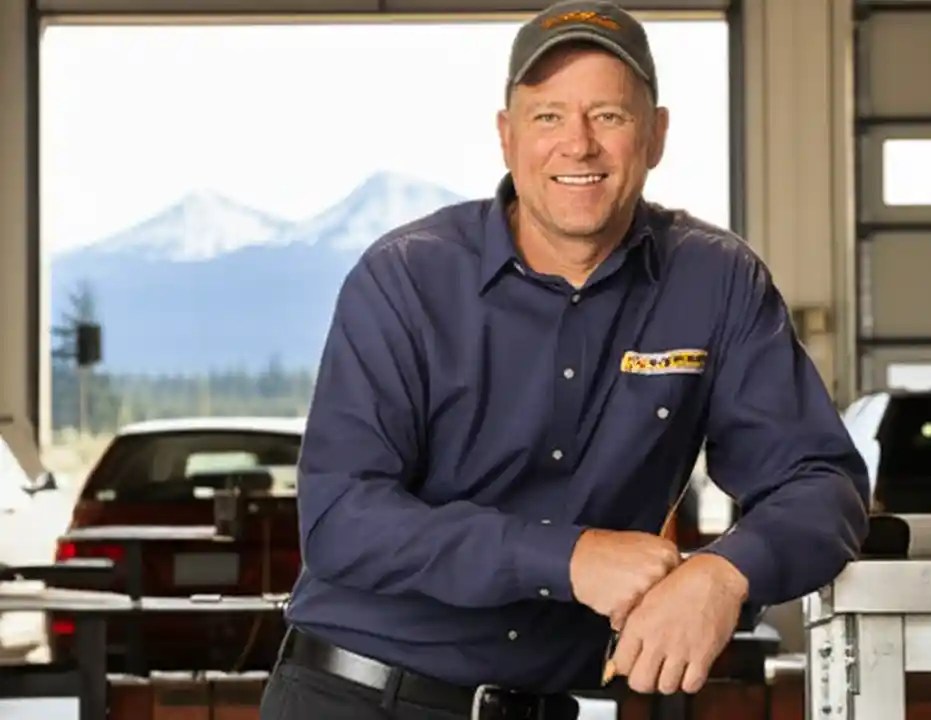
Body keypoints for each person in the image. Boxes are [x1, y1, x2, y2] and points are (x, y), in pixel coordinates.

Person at [258, 1, 870, 718]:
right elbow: (342, 520)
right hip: (357, 699)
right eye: (548, 115)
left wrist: (725, 571)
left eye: (608, 115)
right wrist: (569, 557)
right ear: (506, 135)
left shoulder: (716, 283)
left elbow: (820, 480)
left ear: (657, 134)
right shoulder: (405, 281)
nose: (577, 145)